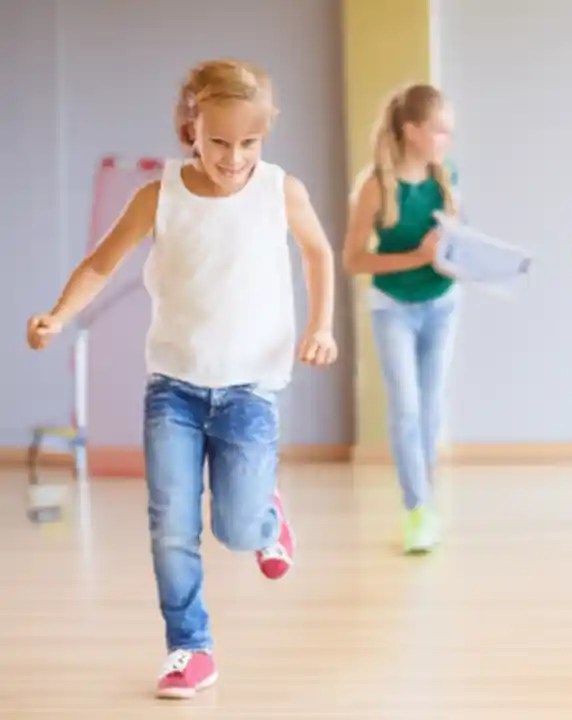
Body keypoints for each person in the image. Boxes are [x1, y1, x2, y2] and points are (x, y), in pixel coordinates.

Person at [26, 59, 338, 697]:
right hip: (174, 387)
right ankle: (189, 648)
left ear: (265, 135)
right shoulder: (159, 194)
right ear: (190, 127)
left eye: (248, 143)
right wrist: (58, 314)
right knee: (171, 523)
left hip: (250, 389)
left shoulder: (281, 191)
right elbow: (101, 263)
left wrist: (322, 325)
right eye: (218, 141)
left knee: (236, 527)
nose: (233, 158)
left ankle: (266, 517)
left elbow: (318, 252)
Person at [342, 83, 461, 553]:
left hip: (442, 305)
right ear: (412, 131)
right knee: (406, 409)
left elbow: (453, 244)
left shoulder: (447, 177)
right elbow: (353, 260)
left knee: (431, 410)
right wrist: (416, 257)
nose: (446, 140)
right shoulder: (375, 187)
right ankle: (415, 508)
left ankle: (425, 504)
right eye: (439, 130)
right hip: (393, 308)